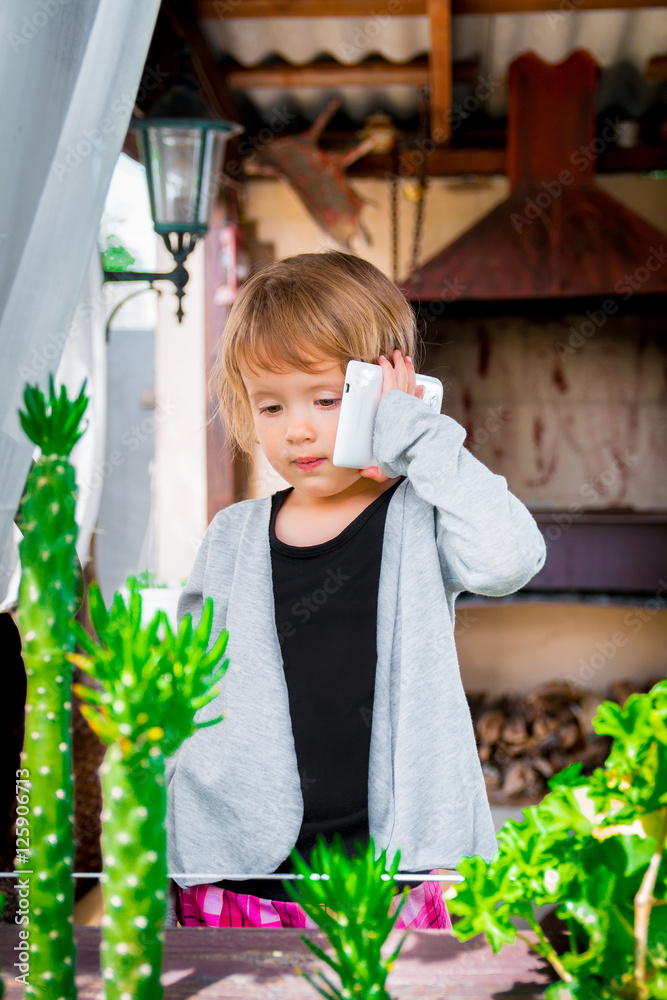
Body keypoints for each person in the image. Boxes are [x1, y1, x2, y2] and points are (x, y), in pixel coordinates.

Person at [165, 250, 547, 930]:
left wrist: (416, 438)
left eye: (327, 399)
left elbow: (509, 558)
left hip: (393, 876)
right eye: (271, 405)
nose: (298, 429)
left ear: (382, 390)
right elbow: (187, 692)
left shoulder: (420, 516)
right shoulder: (231, 537)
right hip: (245, 876)